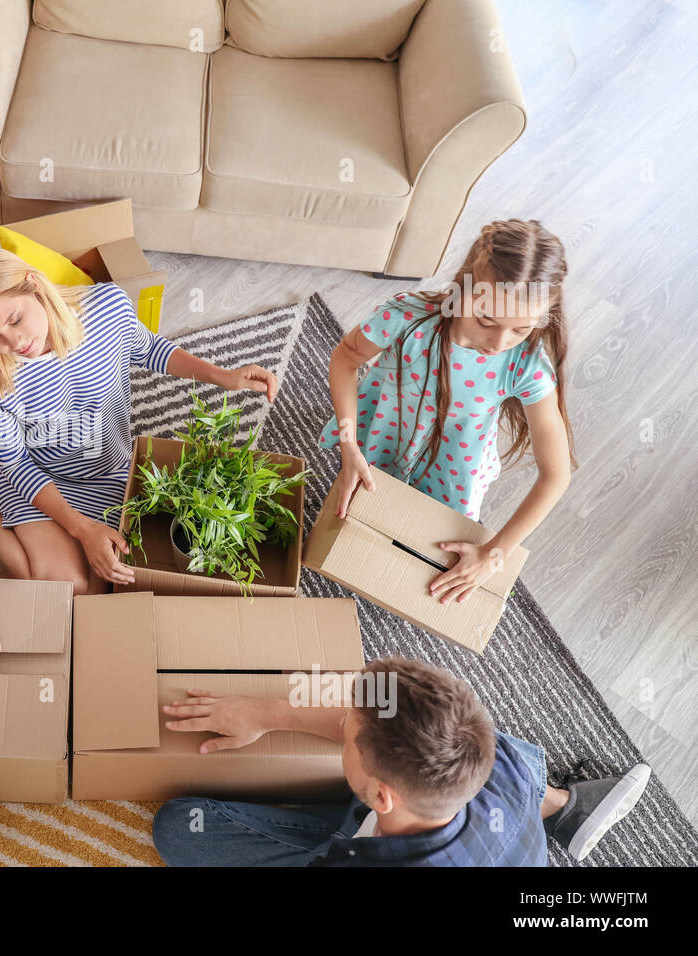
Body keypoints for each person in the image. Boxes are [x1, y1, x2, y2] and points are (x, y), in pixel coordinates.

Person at [0, 244, 280, 595]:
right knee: (71, 591)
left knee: (111, 583)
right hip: (37, 480)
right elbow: (17, 462)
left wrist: (223, 376)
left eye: (15, 319)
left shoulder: (107, 307)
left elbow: (148, 348)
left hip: (108, 469)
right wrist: (82, 530)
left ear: (33, 285)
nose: (15, 341)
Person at [151, 657, 651, 866]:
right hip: (493, 829)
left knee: (180, 828)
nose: (342, 724)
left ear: (385, 798)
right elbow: (378, 717)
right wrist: (269, 713)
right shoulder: (484, 750)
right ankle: (565, 808)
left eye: (348, 734)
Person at [321, 220, 574, 605]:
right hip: (382, 436)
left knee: (425, 558)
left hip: (453, 466)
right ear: (463, 287)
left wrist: (495, 553)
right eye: (486, 320)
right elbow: (345, 359)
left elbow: (555, 474)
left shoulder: (526, 364)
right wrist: (348, 444)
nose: (498, 343)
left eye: (521, 329)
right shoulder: (406, 317)